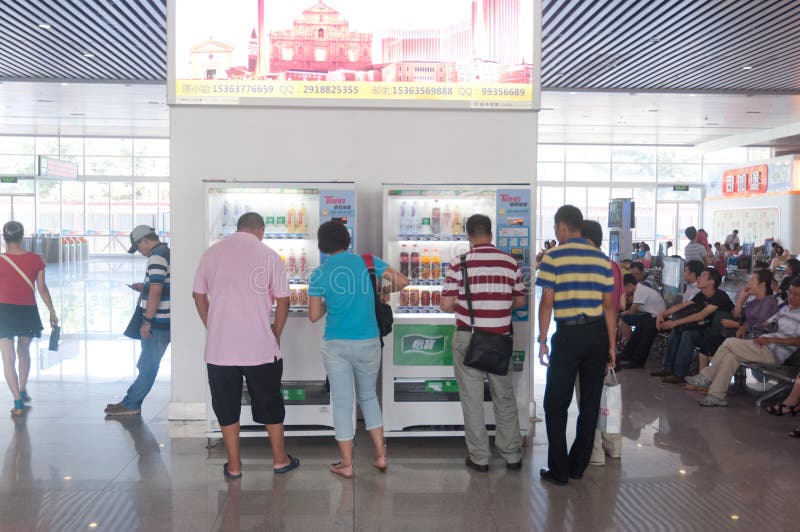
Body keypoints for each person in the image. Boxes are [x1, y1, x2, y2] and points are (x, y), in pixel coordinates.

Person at [193, 213, 299, 478]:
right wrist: (276, 332)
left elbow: (198, 295)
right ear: (260, 230)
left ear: (238, 228)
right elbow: (284, 301)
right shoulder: (270, 256)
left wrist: (211, 325)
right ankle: (279, 460)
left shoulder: (211, 254)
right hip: (260, 348)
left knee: (226, 406)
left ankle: (234, 465)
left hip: (220, 350)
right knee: (270, 403)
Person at [308, 220, 407, 478]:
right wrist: (381, 290)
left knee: (342, 403)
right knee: (368, 397)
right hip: (369, 342)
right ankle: (381, 455)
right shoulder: (368, 261)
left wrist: (330, 303)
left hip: (335, 344)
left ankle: (347, 464)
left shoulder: (319, 273)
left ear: (322, 245)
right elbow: (403, 281)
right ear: (347, 240)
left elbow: (314, 315)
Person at [439, 214, 526, 472]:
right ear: (491, 233)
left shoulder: (458, 263)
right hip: (500, 338)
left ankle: (479, 458)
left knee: (472, 399)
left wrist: (462, 304)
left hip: (468, 337)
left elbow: (446, 304)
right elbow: (521, 300)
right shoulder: (509, 262)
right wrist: (498, 308)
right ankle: (512, 454)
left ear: (468, 235)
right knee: (504, 396)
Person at [536, 205, 615, 485]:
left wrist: (542, 340)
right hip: (597, 335)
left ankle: (559, 470)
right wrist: (612, 346)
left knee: (555, 403)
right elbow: (609, 307)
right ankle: (578, 466)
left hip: (568, 336)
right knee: (590, 402)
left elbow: (547, 302)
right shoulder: (602, 260)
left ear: (561, 226)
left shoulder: (553, 256)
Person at [686, 278, 800, 407]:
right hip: (763, 345)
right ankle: (716, 396)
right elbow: (765, 323)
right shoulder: (786, 309)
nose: (791, 296)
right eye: (790, 292)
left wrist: (770, 339)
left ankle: (706, 376)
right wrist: (745, 326)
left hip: (774, 353)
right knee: (731, 357)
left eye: (796, 294)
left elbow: (798, 341)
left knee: (729, 342)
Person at [105, 226, 171, 416]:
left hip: (158, 321)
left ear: (145, 241)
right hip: (164, 318)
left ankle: (131, 404)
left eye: (138, 247)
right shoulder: (166, 252)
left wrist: (147, 321)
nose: (140, 252)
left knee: (148, 364)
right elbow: (162, 285)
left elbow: (157, 291)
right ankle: (131, 400)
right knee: (147, 363)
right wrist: (145, 286)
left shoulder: (156, 257)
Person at [0, 222, 58, 416]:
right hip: (27, 311)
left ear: (4, 238)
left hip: (4, 311)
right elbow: (42, 288)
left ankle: (17, 402)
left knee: (8, 358)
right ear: (22, 237)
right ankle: (23, 388)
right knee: (23, 351)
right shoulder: (35, 259)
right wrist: (52, 311)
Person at [652, 268, 734, 383]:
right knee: (678, 329)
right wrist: (662, 314)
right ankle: (667, 368)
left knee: (688, 334)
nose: (699, 278)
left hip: (719, 335)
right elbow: (683, 305)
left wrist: (674, 322)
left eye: (703, 275)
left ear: (712, 282)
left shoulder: (720, 296)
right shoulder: (702, 294)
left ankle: (680, 374)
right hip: (706, 330)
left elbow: (701, 315)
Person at [619, 274, 666, 369]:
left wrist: (621, 314)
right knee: (639, 328)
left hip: (659, 318)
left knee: (646, 331)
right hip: (651, 315)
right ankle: (627, 354)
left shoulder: (640, 291)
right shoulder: (639, 289)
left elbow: (633, 311)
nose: (624, 292)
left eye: (624, 289)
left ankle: (638, 361)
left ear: (629, 285)